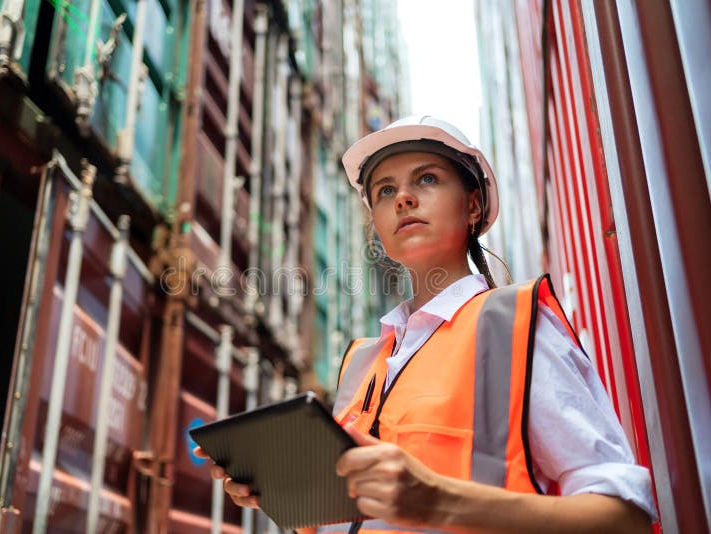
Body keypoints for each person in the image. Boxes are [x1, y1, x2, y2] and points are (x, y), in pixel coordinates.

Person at [196, 115, 657, 533]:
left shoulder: (510, 328)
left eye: (428, 179)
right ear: (376, 223)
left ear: (473, 207)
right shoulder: (363, 362)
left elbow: (626, 517)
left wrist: (438, 502)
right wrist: (291, 494)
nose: (404, 199)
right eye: (386, 191)